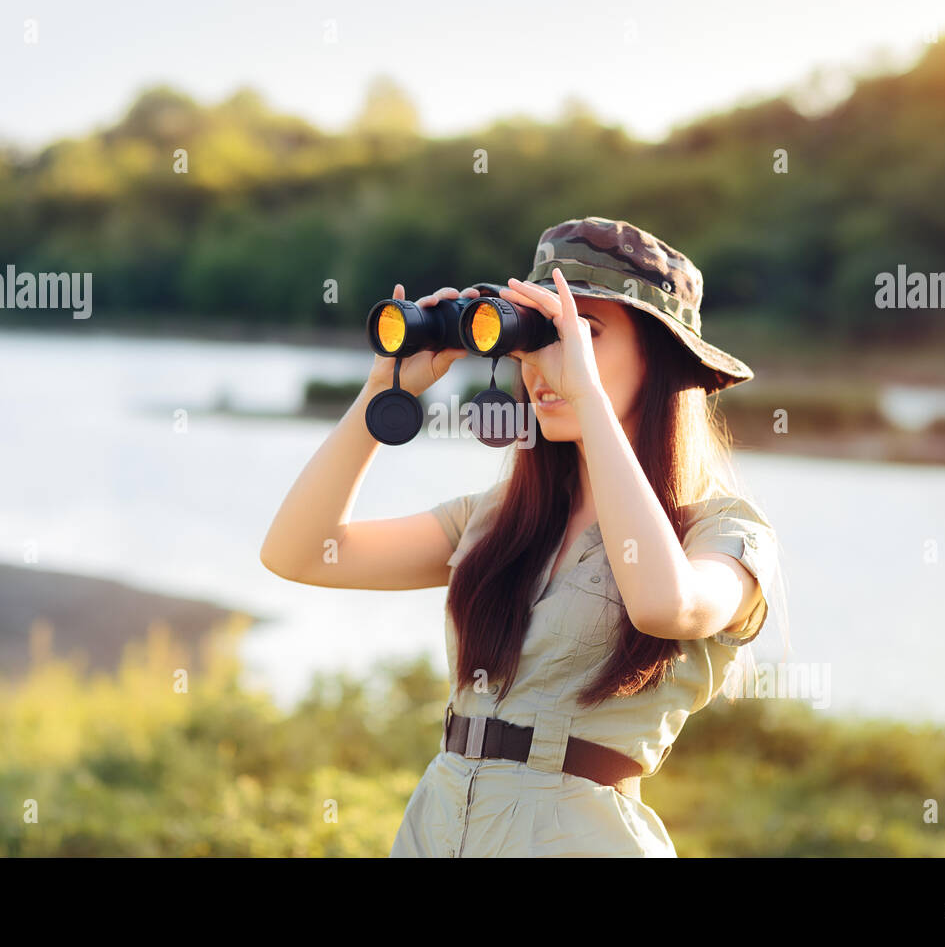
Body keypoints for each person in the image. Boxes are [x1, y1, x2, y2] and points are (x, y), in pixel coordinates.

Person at [260, 216, 779, 856]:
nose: (543, 366)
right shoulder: (498, 520)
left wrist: (584, 397)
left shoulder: (723, 532)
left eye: (581, 335)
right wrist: (382, 388)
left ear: (660, 357)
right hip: (437, 830)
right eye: (535, 338)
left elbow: (663, 604)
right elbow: (298, 553)